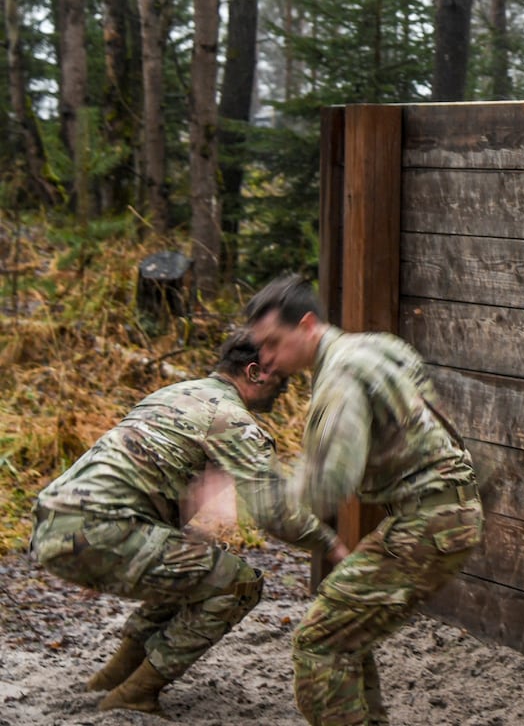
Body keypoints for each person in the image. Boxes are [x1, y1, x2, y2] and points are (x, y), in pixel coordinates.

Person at [29, 330, 345, 714]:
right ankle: (135, 694)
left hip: (52, 523)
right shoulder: (232, 420)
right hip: (99, 531)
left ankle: (113, 677)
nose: (284, 392)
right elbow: (276, 514)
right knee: (238, 584)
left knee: (193, 564)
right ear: (255, 372)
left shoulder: (175, 394)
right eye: (282, 381)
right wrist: (331, 545)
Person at [246, 275, 483, 726]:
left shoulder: (339, 376)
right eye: (261, 348)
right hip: (446, 511)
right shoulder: (376, 347)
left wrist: (253, 497)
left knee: (319, 643)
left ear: (308, 325)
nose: (268, 359)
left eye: (274, 343)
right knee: (343, 631)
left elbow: (331, 481)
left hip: (429, 520)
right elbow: (422, 410)